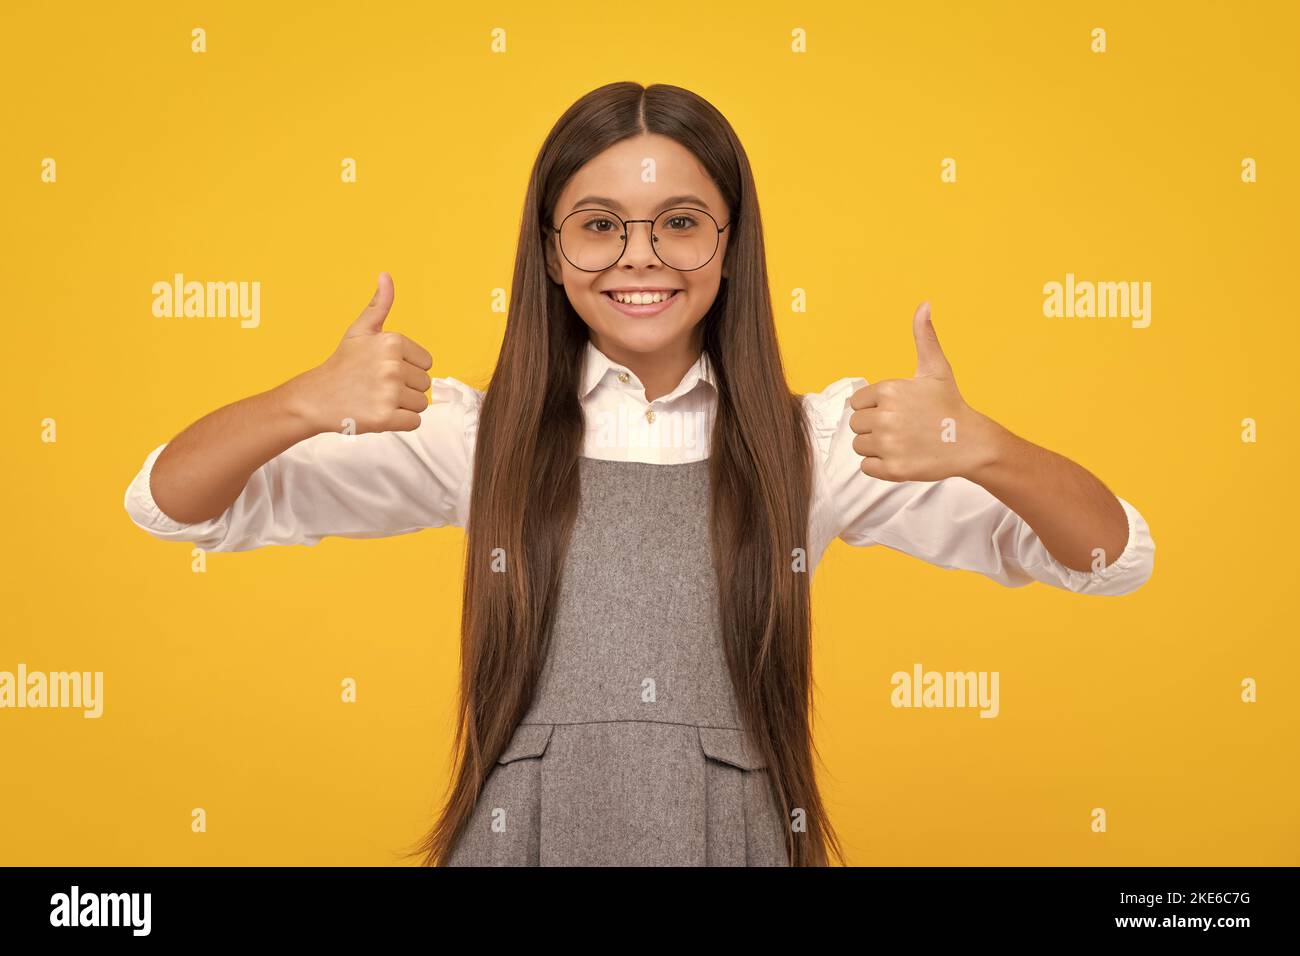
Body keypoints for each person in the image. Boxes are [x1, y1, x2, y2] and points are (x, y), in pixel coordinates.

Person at [123, 81, 1155, 866]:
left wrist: (991, 450)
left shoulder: (819, 442)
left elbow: (1110, 558)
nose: (639, 256)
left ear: (728, 241)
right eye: (599, 222)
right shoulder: (473, 439)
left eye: (679, 221)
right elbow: (170, 504)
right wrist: (300, 400)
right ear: (550, 249)